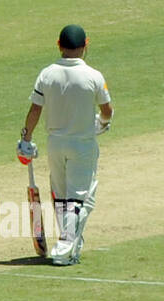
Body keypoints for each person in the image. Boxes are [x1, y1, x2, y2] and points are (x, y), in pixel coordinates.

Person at [17, 24, 113, 265]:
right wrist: (101, 124)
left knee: (62, 197)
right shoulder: (94, 75)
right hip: (82, 144)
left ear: (59, 45)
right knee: (79, 198)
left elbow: (35, 109)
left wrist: (25, 139)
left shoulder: (47, 74)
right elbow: (107, 110)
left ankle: (71, 240)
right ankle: (64, 247)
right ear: (85, 45)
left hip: (55, 144)